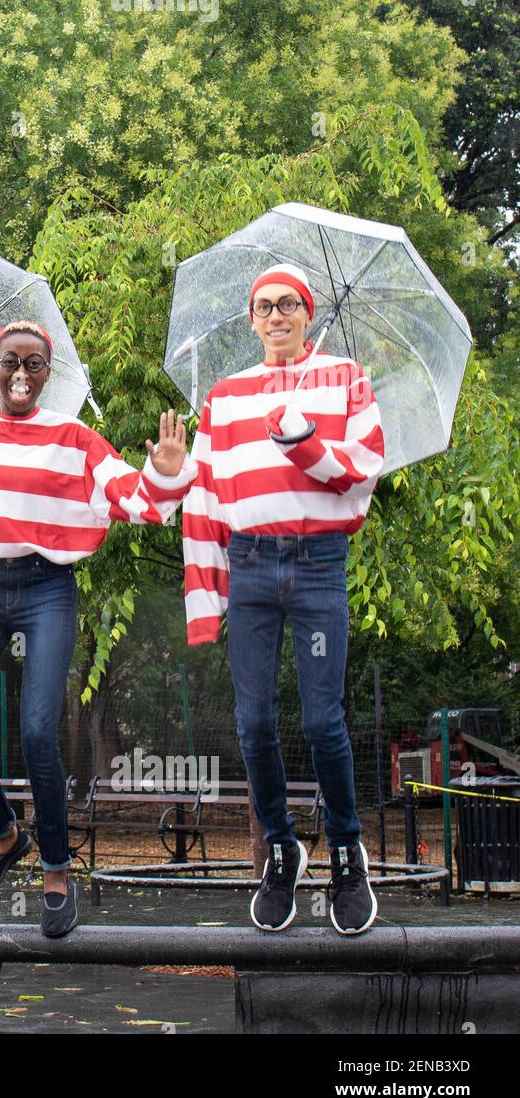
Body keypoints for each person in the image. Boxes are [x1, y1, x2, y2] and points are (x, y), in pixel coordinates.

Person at [0, 320, 194, 937]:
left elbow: (135, 499)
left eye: (35, 363)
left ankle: (54, 869)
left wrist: (166, 471)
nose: (22, 373)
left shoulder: (73, 437)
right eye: (10, 362)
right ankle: (4, 830)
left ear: (49, 371)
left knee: (40, 728)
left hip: (48, 586)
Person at [178, 263, 384, 935]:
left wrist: (304, 442)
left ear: (308, 312)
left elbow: (361, 476)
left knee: (324, 722)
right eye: (264, 306)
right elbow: (205, 497)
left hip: (320, 565)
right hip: (253, 567)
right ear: (251, 319)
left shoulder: (346, 379)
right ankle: (281, 846)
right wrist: (205, 593)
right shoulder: (226, 396)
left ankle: (347, 850)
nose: (276, 316)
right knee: (253, 723)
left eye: (288, 304)